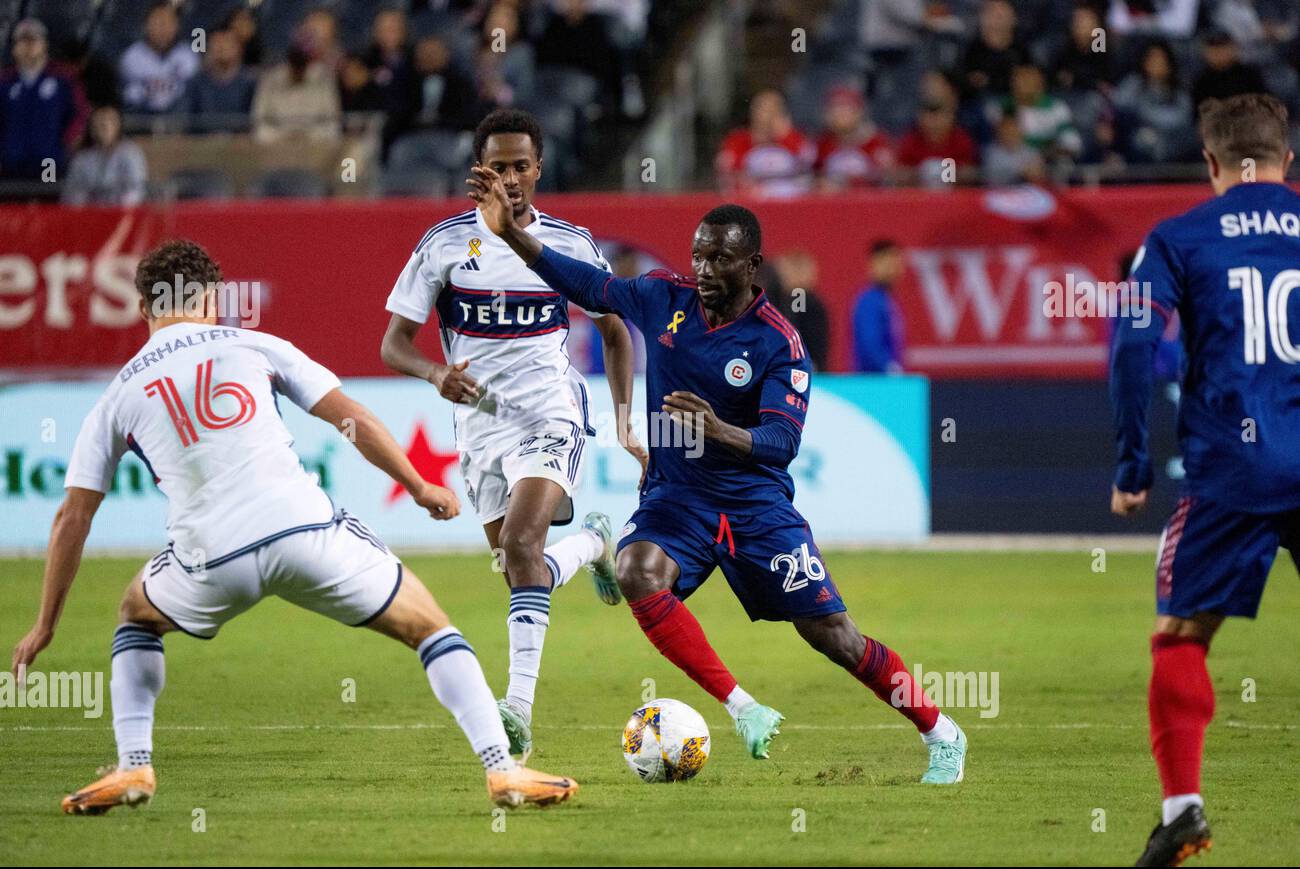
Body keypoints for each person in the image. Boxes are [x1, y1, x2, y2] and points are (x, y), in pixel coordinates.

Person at [10, 239, 577, 815]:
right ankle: (502, 771)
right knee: (430, 629)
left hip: (208, 558)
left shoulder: (117, 393)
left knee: (136, 613)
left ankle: (134, 764)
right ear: (212, 298)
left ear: (141, 309)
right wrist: (419, 485)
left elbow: (72, 517)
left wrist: (44, 625)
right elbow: (349, 417)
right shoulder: (255, 343)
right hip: (305, 533)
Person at [468, 170, 969, 783]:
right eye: (698, 255)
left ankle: (941, 732)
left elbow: (781, 443)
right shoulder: (662, 298)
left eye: (719, 258)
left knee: (836, 638)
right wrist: (513, 233)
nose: (703, 269)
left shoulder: (779, 344)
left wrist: (717, 429)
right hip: (678, 499)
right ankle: (742, 705)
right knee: (637, 571)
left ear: (752, 265)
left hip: (755, 509)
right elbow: (587, 285)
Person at [380, 109, 645, 762]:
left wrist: (620, 418)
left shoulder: (569, 245)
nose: (510, 177)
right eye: (497, 165)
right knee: (521, 568)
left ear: (539, 168)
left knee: (524, 544)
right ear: (479, 171)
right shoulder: (442, 245)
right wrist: (433, 372)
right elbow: (392, 345)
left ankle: (516, 715)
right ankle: (591, 544)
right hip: (478, 428)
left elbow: (613, 328)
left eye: (521, 164)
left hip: (551, 413)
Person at [1110, 93, 1299, 866]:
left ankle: (1183, 811)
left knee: (1182, 634)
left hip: (1234, 467)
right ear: (1288, 160)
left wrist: (1132, 464)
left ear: (1213, 164)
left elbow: (1130, 345)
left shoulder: (1178, 236)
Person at [0, 19, 87, 189]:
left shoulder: (63, 78)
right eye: (23, 41)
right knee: (13, 208)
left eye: (33, 40)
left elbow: (80, 112)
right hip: (11, 159)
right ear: (15, 47)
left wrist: (65, 143)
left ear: (44, 44)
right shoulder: (5, 81)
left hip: (49, 159)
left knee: (47, 204)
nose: (28, 46)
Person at [715, 89, 816, 197]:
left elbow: (809, 164)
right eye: (765, 109)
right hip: (751, 201)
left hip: (790, 203)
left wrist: (785, 137)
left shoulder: (794, 138)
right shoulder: (737, 140)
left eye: (776, 109)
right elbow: (727, 173)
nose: (770, 115)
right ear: (753, 111)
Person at [119, 0, 200, 115]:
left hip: (179, 123)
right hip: (140, 121)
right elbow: (128, 98)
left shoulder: (189, 56)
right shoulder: (132, 56)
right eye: (157, 22)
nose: (163, 28)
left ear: (177, 26)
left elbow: (192, 98)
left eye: (168, 22)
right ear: (146, 25)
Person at [62, 104, 147, 206]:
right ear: (92, 129)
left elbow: (135, 191)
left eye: (110, 121)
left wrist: (116, 213)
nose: (105, 126)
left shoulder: (131, 153)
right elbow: (73, 195)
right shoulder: (82, 158)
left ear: (118, 125)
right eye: (99, 123)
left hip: (123, 214)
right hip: (91, 215)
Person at [182, 27, 256, 133]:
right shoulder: (195, 83)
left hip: (241, 144)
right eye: (217, 43)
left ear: (239, 49)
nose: (222, 48)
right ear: (208, 49)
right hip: (201, 144)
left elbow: (254, 123)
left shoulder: (250, 83)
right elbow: (186, 121)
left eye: (227, 43)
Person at [852, 240, 907, 373]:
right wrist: (889, 368)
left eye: (896, 263)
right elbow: (869, 344)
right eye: (887, 263)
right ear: (873, 265)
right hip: (872, 384)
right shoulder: (869, 301)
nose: (893, 269)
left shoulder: (889, 300)